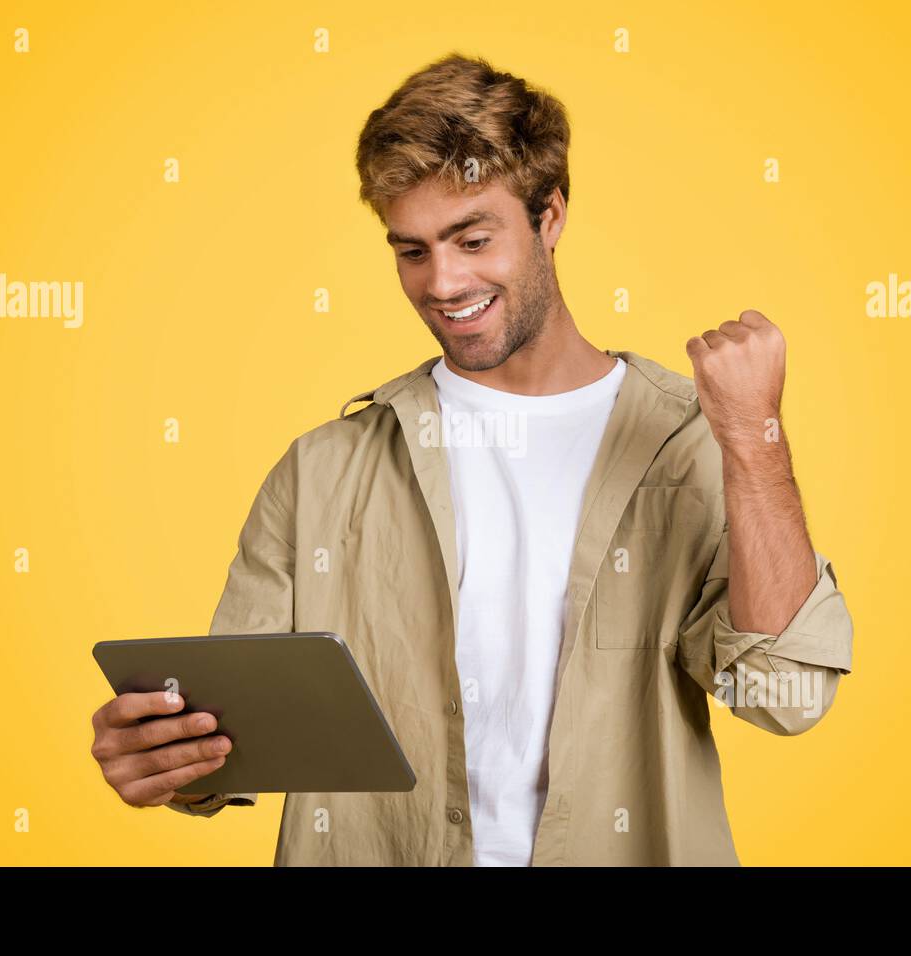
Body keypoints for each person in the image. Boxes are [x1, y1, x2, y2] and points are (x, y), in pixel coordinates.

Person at [89, 52, 854, 866]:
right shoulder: (322, 471)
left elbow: (787, 695)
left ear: (550, 216)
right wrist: (170, 762)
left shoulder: (693, 442)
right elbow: (231, 742)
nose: (443, 283)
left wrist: (751, 435)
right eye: (411, 251)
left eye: (473, 239)